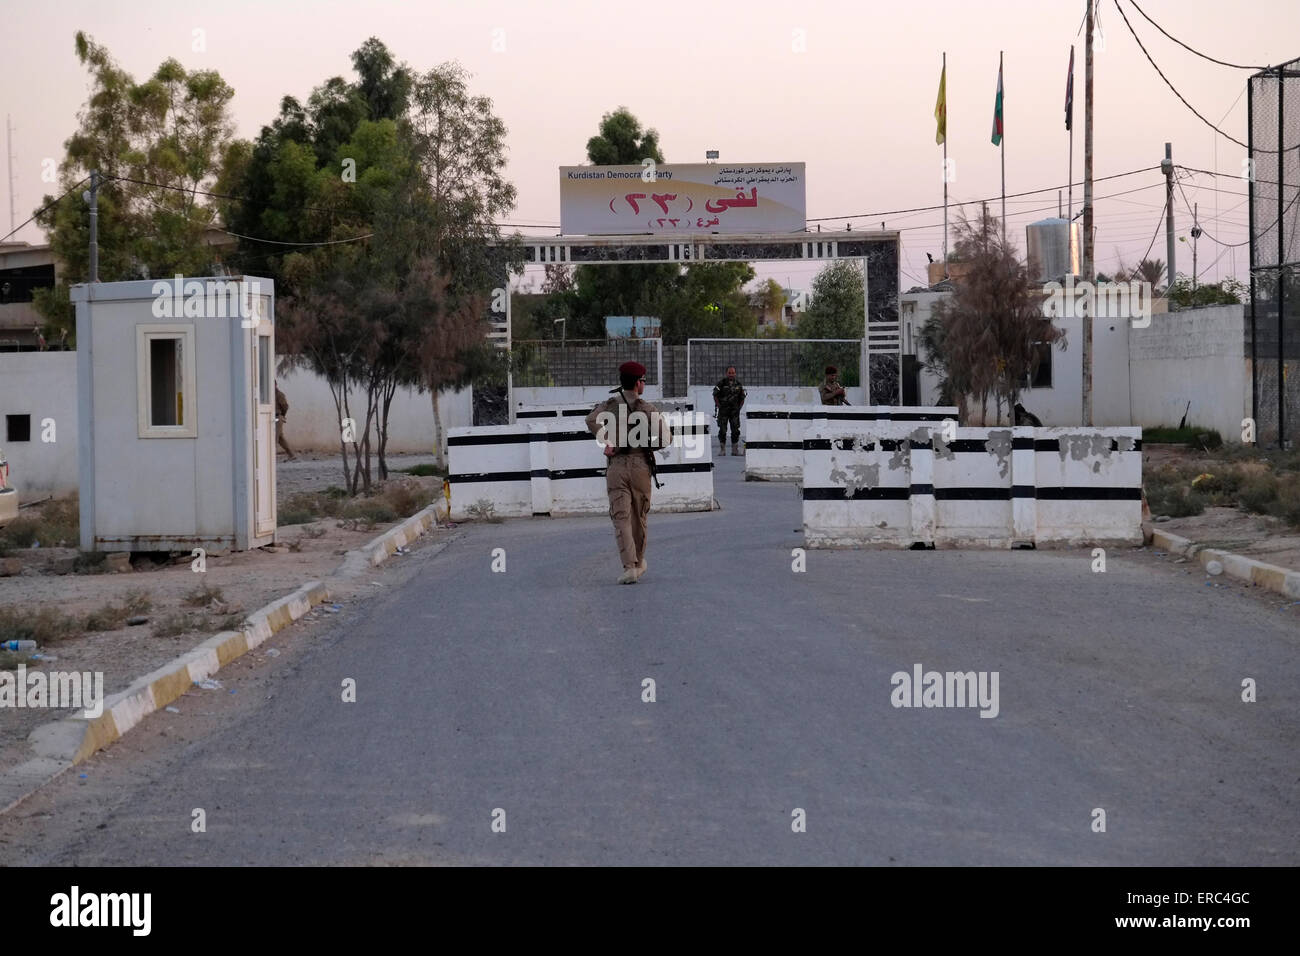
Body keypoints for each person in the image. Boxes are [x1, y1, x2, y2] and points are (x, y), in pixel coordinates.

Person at [585, 361, 673, 584]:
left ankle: (629, 566)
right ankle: (639, 562)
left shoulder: (610, 404)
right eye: (643, 380)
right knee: (639, 516)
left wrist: (607, 440)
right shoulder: (648, 408)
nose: (643, 384)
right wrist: (645, 445)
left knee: (621, 517)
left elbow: (590, 419)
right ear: (637, 383)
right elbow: (666, 439)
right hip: (640, 465)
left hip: (617, 465)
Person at [712, 365, 747, 456]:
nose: (731, 374)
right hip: (723, 411)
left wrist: (739, 408)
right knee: (723, 430)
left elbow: (742, 397)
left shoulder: (739, 384)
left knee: (735, 430)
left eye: (733, 373)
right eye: (729, 373)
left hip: (734, 412)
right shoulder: (721, 383)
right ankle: (722, 450)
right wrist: (719, 406)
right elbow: (715, 395)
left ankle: (734, 450)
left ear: (735, 373)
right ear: (726, 373)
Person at [275, 384, 297, 461]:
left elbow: (285, 406)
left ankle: (270, 457)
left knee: (274, 437)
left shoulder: (279, 394)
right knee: (280, 438)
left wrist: (282, 415)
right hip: (273, 417)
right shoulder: (269, 394)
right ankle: (291, 455)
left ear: (275, 385)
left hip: (277, 417)